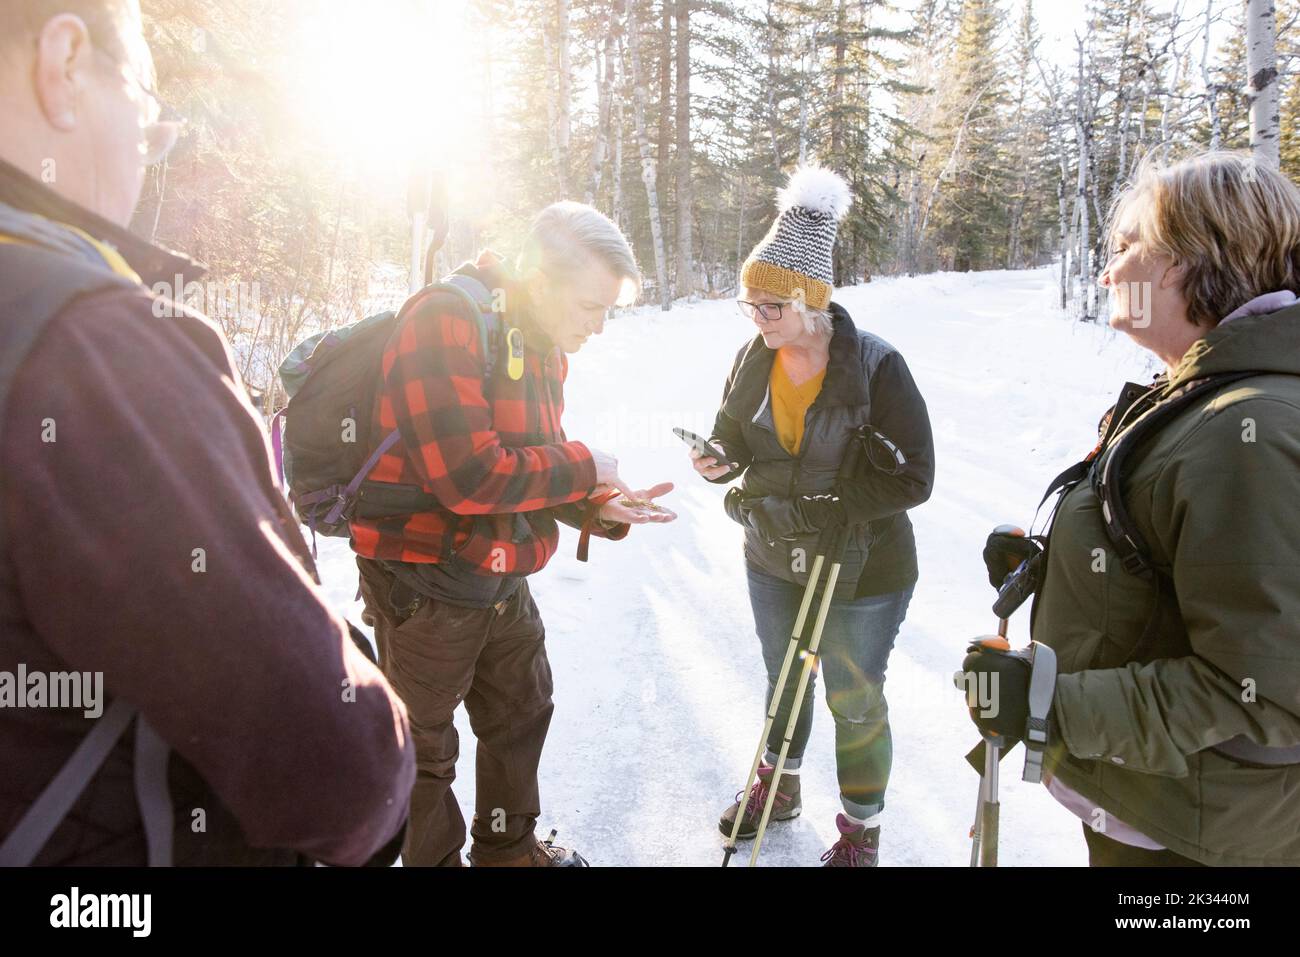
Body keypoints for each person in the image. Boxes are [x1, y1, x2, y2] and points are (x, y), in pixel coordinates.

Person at [0, 0, 415, 865]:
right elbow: (333, 766)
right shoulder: (93, 343)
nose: (145, 164)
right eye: (149, 120)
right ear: (65, 66)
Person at [969, 151, 1300, 867]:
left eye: (1125, 248)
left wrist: (1046, 706)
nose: (1106, 270)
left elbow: (1264, 692)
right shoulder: (1205, 391)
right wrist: (1054, 562)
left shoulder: (1252, 428)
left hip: (1196, 843)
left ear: (1191, 259)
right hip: (1165, 809)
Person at [352, 202, 677, 867]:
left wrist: (595, 506)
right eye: (591, 306)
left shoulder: (544, 345)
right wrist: (586, 464)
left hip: (500, 573)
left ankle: (508, 852)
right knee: (424, 748)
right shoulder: (446, 319)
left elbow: (532, 462)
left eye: (608, 309)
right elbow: (468, 477)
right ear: (543, 278)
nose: (599, 326)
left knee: (520, 712)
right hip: (425, 581)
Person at [692, 167, 935, 866]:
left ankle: (862, 831)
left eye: (771, 306)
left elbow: (916, 476)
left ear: (809, 299)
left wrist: (836, 507)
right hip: (774, 553)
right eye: (751, 304)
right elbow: (733, 438)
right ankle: (780, 789)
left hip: (864, 564)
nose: (758, 318)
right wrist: (718, 460)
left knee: (852, 695)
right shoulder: (753, 358)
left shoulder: (877, 367)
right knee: (784, 679)